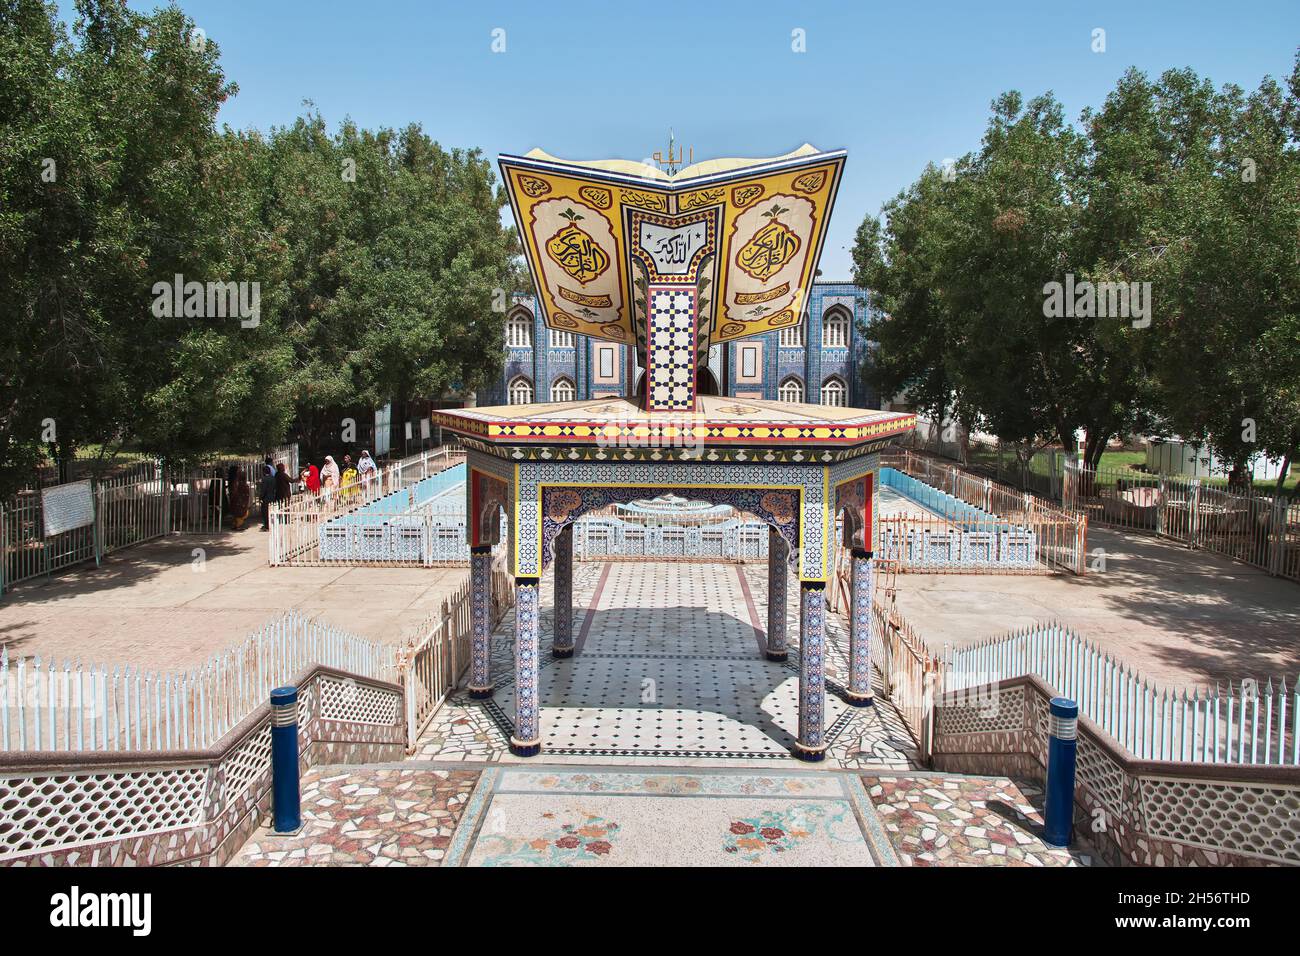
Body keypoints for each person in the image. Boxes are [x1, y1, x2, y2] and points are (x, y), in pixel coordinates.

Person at [258, 464, 276, 531]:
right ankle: (271, 523)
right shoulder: (273, 478)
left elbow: (264, 489)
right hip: (272, 496)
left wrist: (261, 497)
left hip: (266, 497)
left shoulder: (264, 479)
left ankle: (266, 525)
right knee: (271, 511)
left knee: (265, 512)